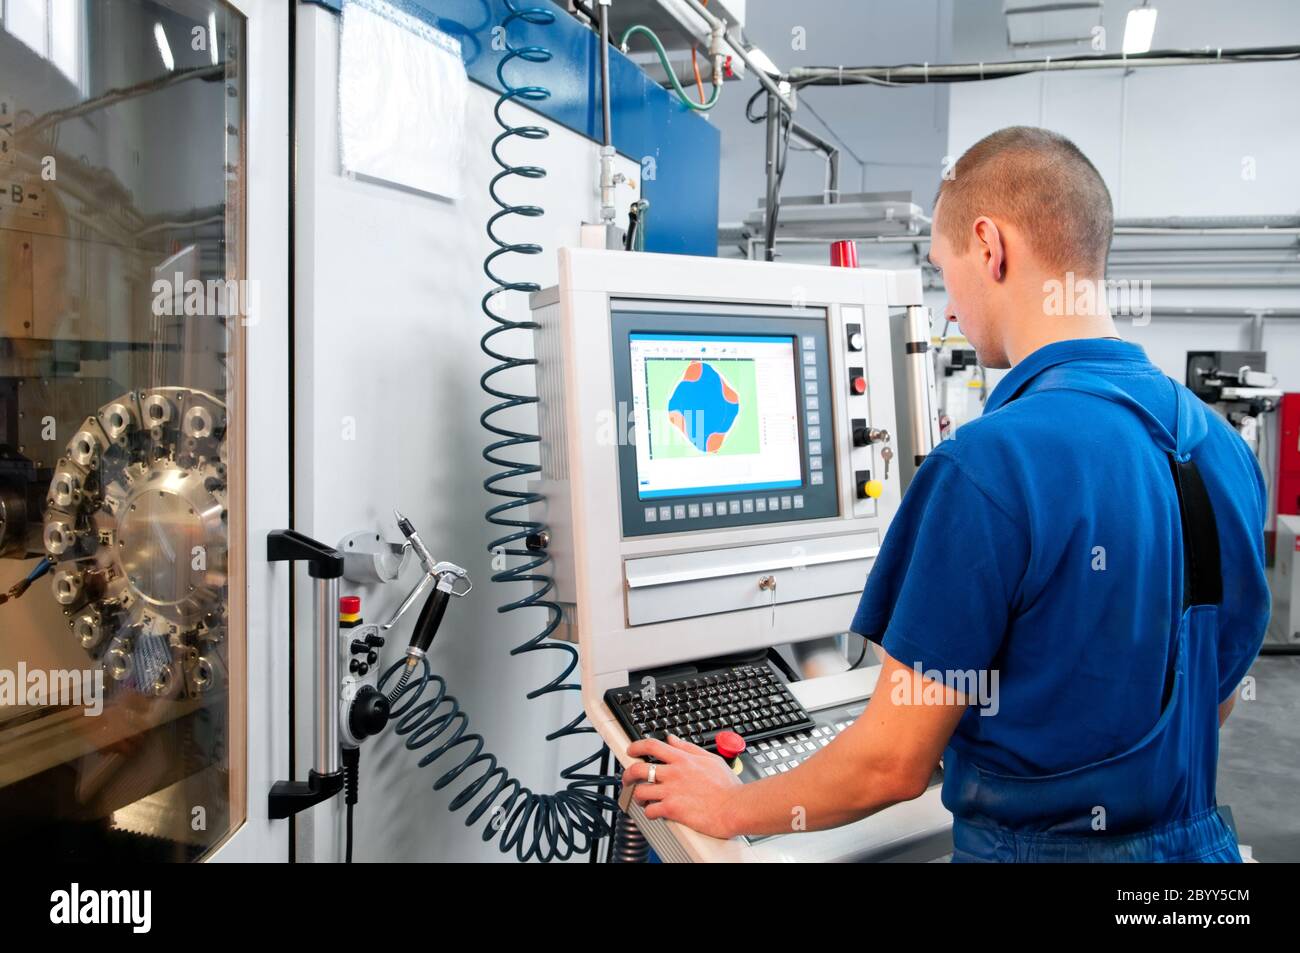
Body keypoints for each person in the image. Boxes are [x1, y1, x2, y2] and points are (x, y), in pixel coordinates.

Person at [620, 126, 1270, 863]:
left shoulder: (990, 463)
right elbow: (1209, 695)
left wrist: (731, 802)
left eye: (944, 267)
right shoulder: (1220, 448)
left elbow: (890, 763)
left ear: (990, 247)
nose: (951, 307)